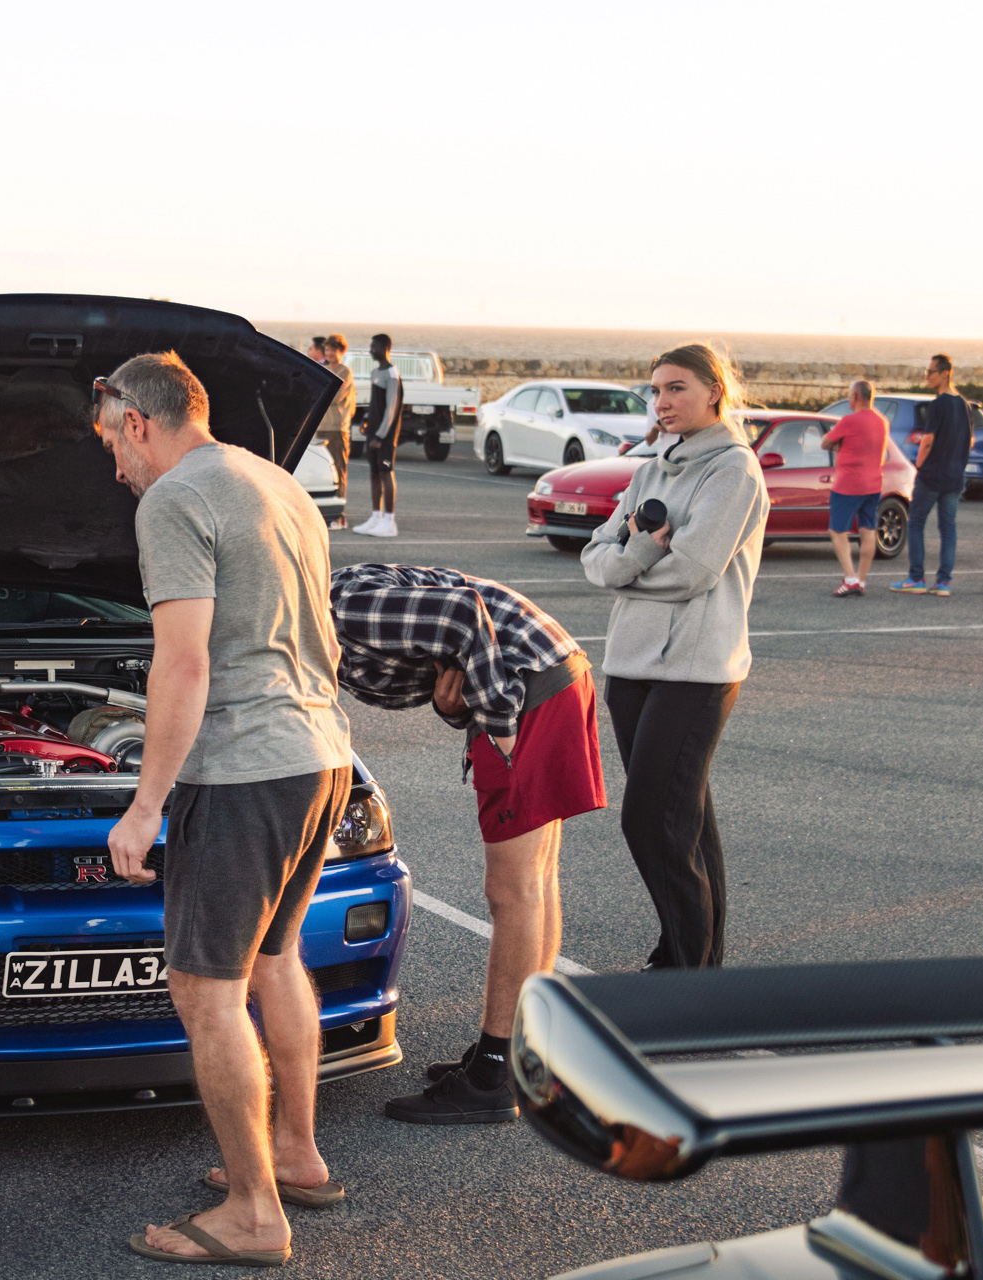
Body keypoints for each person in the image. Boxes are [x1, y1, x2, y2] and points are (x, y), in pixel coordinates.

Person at [96, 351, 352, 1268]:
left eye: (112, 447)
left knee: (205, 989)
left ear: (139, 422)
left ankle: (253, 1214)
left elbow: (186, 662)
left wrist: (144, 803)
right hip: (320, 753)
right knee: (274, 958)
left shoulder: (172, 500)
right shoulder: (275, 482)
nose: (115, 472)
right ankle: (295, 1154)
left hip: (243, 769)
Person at [330, 562, 604, 1123]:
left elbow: (460, 615)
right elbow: (447, 654)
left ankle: (494, 1076)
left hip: (529, 688)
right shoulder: (326, 605)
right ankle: (525, 1051)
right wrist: (456, 708)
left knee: (513, 890)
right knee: (534, 882)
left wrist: (499, 725)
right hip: (545, 673)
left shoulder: (340, 610)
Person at [581, 343, 768, 970]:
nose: (662, 402)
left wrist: (626, 566)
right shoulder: (650, 469)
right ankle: (693, 957)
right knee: (683, 821)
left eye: (677, 388)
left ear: (715, 390)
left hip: (695, 670)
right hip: (630, 666)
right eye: (655, 391)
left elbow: (691, 570)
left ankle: (688, 970)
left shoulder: (733, 470)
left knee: (651, 822)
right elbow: (595, 555)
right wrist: (633, 559)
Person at [891, 354, 969, 597]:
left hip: (933, 475)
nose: (927, 376)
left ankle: (916, 578)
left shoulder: (938, 405)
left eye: (930, 372)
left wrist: (919, 468)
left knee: (915, 523)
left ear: (945, 373)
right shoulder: (964, 405)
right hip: (954, 477)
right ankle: (943, 582)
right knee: (948, 528)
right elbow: (970, 441)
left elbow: (927, 440)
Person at [822, 379, 890, 596]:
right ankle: (861, 580)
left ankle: (849, 578)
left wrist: (837, 444)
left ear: (855, 397)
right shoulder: (882, 421)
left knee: (837, 530)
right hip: (873, 483)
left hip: (848, 485)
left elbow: (825, 442)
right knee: (867, 529)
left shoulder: (849, 421)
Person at [353, 333, 402, 538]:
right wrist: (366, 418)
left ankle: (389, 521)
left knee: (385, 472)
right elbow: (376, 404)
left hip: (385, 436)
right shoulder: (375, 372)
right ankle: (376, 516)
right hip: (372, 431)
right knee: (374, 472)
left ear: (384, 348)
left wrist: (380, 435)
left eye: (373, 347)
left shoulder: (392, 374)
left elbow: (391, 408)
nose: (370, 350)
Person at [315, 334, 356, 528]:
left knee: (339, 471)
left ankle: (340, 516)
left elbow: (333, 398)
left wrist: (322, 391)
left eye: (334, 350)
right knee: (324, 472)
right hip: (321, 427)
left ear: (341, 352)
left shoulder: (344, 372)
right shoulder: (325, 370)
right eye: (328, 349)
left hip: (337, 429)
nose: (330, 353)